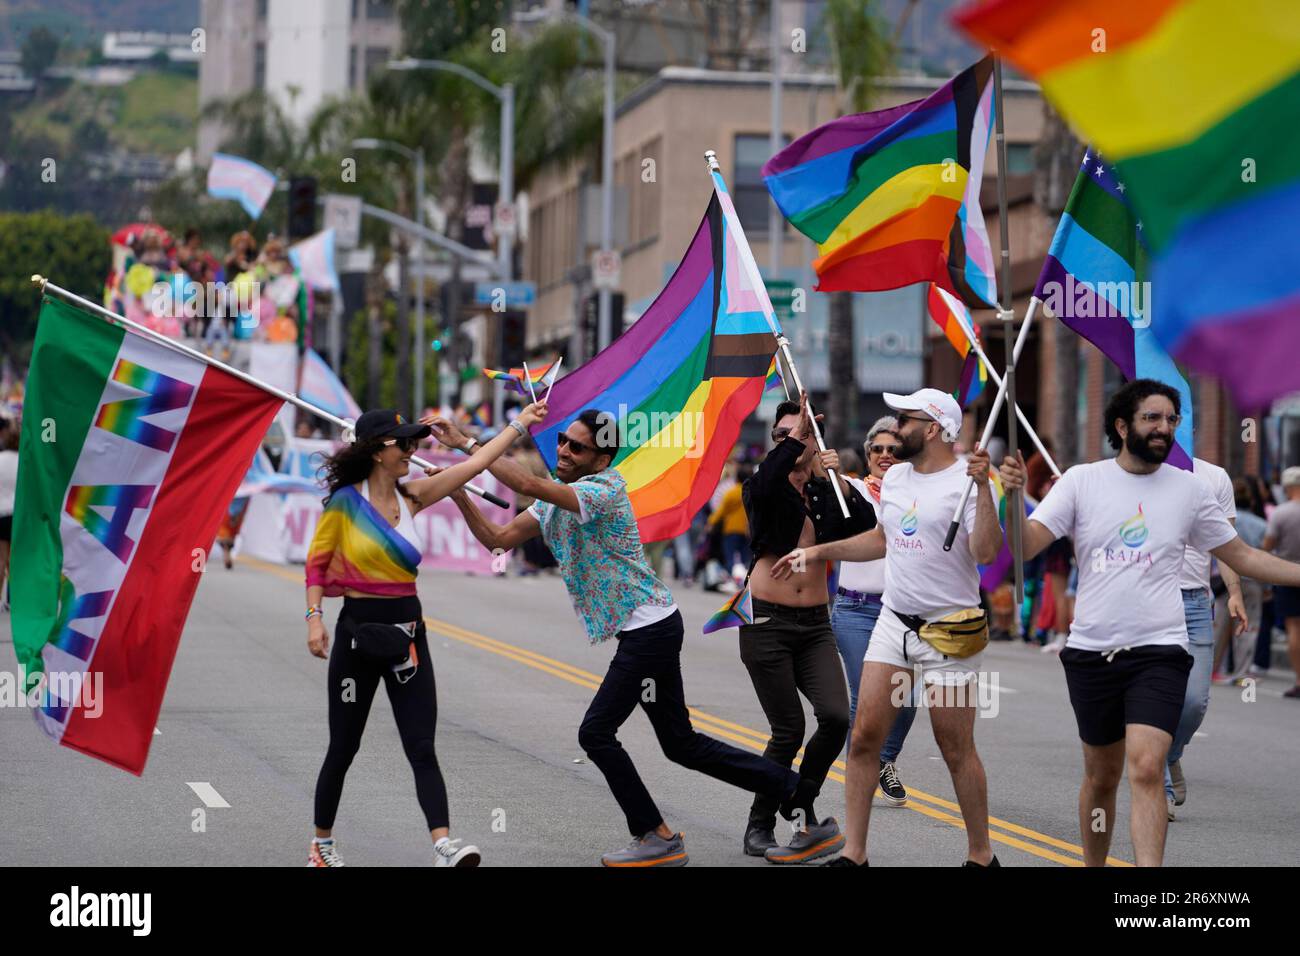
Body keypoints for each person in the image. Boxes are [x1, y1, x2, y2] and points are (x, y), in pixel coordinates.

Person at [427, 408, 803, 867]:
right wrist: (460, 489)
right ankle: (793, 790)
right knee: (680, 744)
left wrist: (467, 446)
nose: (563, 450)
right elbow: (499, 539)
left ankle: (656, 834)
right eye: (563, 440)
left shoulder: (602, 490)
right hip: (651, 627)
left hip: (650, 629)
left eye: (576, 447)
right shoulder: (559, 500)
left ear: (601, 458)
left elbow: (526, 484)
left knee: (596, 733)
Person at [998, 379, 1300, 865]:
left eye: (1171, 420)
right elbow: (1025, 545)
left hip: (1160, 649)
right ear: (1122, 426)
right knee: (1101, 778)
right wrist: (1011, 498)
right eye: (1152, 419)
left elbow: (1241, 555)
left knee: (1145, 767)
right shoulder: (1082, 481)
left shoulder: (1190, 490)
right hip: (1092, 650)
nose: (1164, 429)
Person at [305, 402, 548, 867]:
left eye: (416, 441)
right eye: (405, 444)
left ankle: (443, 845)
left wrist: (520, 423)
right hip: (357, 637)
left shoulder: (415, 496)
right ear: (378, 451)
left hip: (408, 638)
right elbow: (316, 565)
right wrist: (314, 618)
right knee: (344, 746)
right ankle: (322, 845)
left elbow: (475, 464)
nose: (413, 450)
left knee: (421, 745)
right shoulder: (344, 505)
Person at [772, 388, 1004, 867]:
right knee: (864, 738)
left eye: (907, 418)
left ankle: (981, 856)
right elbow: (883, 539)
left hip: (950, 634)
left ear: (934, 428)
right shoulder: (896, 477)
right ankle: (855, 855)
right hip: (894, 622)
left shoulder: (969, 478)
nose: (897, 426)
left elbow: (985, 554)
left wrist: (984, 490)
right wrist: (818, 553)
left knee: (955, 746)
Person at [739, 393, 876, 864]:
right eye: (782, 436)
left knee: (838, 717)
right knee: (788, 729)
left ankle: (799, 801)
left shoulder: (824, 490)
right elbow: (762, 492)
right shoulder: (762, 485)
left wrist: (834, 477)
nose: (792, 442)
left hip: (816, 624)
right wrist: (791, 447)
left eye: (800, 435)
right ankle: (757, 825)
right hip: (767, 624)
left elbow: (865, 530)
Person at [831, 416, 917, 807]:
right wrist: (826, 466)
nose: (884, 455)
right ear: (867, 456)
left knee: (907, 694)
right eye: (877, 449)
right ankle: (859, 775)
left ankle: (884, 759)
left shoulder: (915, 497)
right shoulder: (849, 489)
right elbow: (823, 479)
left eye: (892, 449)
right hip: (854, 609)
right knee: (864, 693)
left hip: (902, 611)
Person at [1165, 456, 1246, 820]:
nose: (1163, 425)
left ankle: (1172, 753)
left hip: (1196, 601)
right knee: (1159, 698)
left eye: (1172, 417)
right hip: (1150, 599)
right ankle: (1160, 786)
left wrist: (1234, 592)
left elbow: (1227, 545)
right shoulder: (1137, 469)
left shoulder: (1215, 476)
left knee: (1194, 701)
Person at [1213, 478, 1267, 684]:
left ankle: (1212, 669)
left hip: (1225, 579)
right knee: (1248, 626)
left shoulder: (1221, 520)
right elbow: (1264, 555)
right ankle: (1242, 672)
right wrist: (1268, 586)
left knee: (1219, 625)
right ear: (1252, 501)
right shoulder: (1261, 525)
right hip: (1252, 580)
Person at [1262, 466, 1300, 699]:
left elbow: (1267, 546)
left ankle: (1299, 679)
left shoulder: (1281, 513)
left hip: (1287, 575)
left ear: (1287, 487)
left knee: (1294, 628)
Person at [0, 416, 17, 611]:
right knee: (14, 561)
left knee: (1, 559)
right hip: (17, 515)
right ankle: (13, 599)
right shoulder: (23, 461)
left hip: (0, 514)